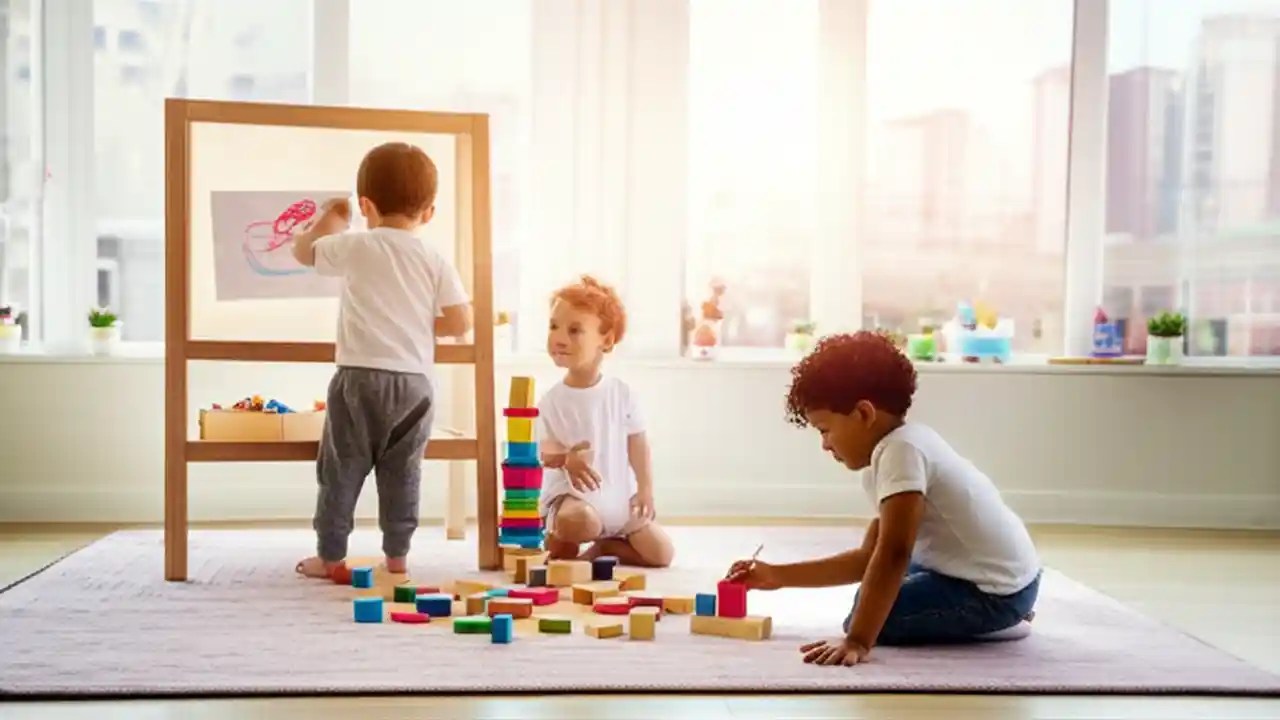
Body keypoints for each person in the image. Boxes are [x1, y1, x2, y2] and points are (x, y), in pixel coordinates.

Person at [726, 330, 1040, 665]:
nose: (825, 444)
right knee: (875, 593)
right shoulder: (899, 448)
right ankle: (997, 614)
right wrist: (777, 575)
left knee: (878, 618)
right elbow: (869, 558)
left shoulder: (900, 452)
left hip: (997, 592)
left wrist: (858, 640)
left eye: (825, 429)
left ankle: (1000, 624)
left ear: (863, 414)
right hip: (1006, 575)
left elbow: (894, 554)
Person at [290, 141, 472, 578]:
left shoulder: (354, 246)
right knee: (403, 472)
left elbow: (302, 252)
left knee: (342, 468)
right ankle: (397, 559)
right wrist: (415, 327)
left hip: (359, 378)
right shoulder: (434, 257)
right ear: (429, 212)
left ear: (366, 205)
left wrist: (328, 222)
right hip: (414, 385)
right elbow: (461, 320)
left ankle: (331, 556)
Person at [535, 275, 675, 567]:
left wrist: (645, 488)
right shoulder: (552, 400)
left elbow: (638, 443)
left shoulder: (622, 394)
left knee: (662, 554)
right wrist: (566, 459)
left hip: (619, 500)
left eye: (575, 330)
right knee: (578, 524)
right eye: (554, 326)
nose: (559, 337)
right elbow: (543, 449)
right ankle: (561, 537)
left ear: (606, 340)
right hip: (575, 500)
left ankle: (604, 548)